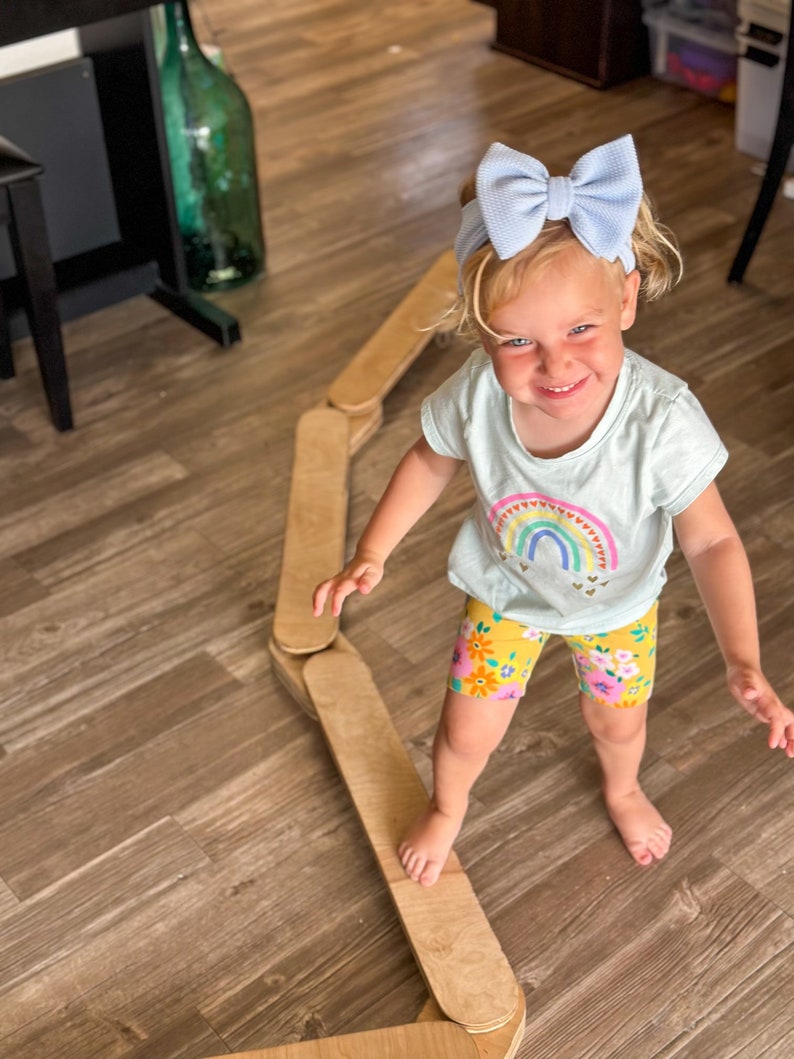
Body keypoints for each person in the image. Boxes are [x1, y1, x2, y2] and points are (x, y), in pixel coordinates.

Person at [312, 135, 794, 887]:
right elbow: (429, 458)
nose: (556, 363)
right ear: (481, 330)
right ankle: (447, 807)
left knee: (618, 724)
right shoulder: (478, 391)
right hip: (506, 595)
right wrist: (371, 551)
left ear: (626, 298)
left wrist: (743, 658)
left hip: (617, 610)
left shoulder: (661, 420)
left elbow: (712, 543)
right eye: (518, 340)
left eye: (581, 329)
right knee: (465, 730)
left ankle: (624, 787)